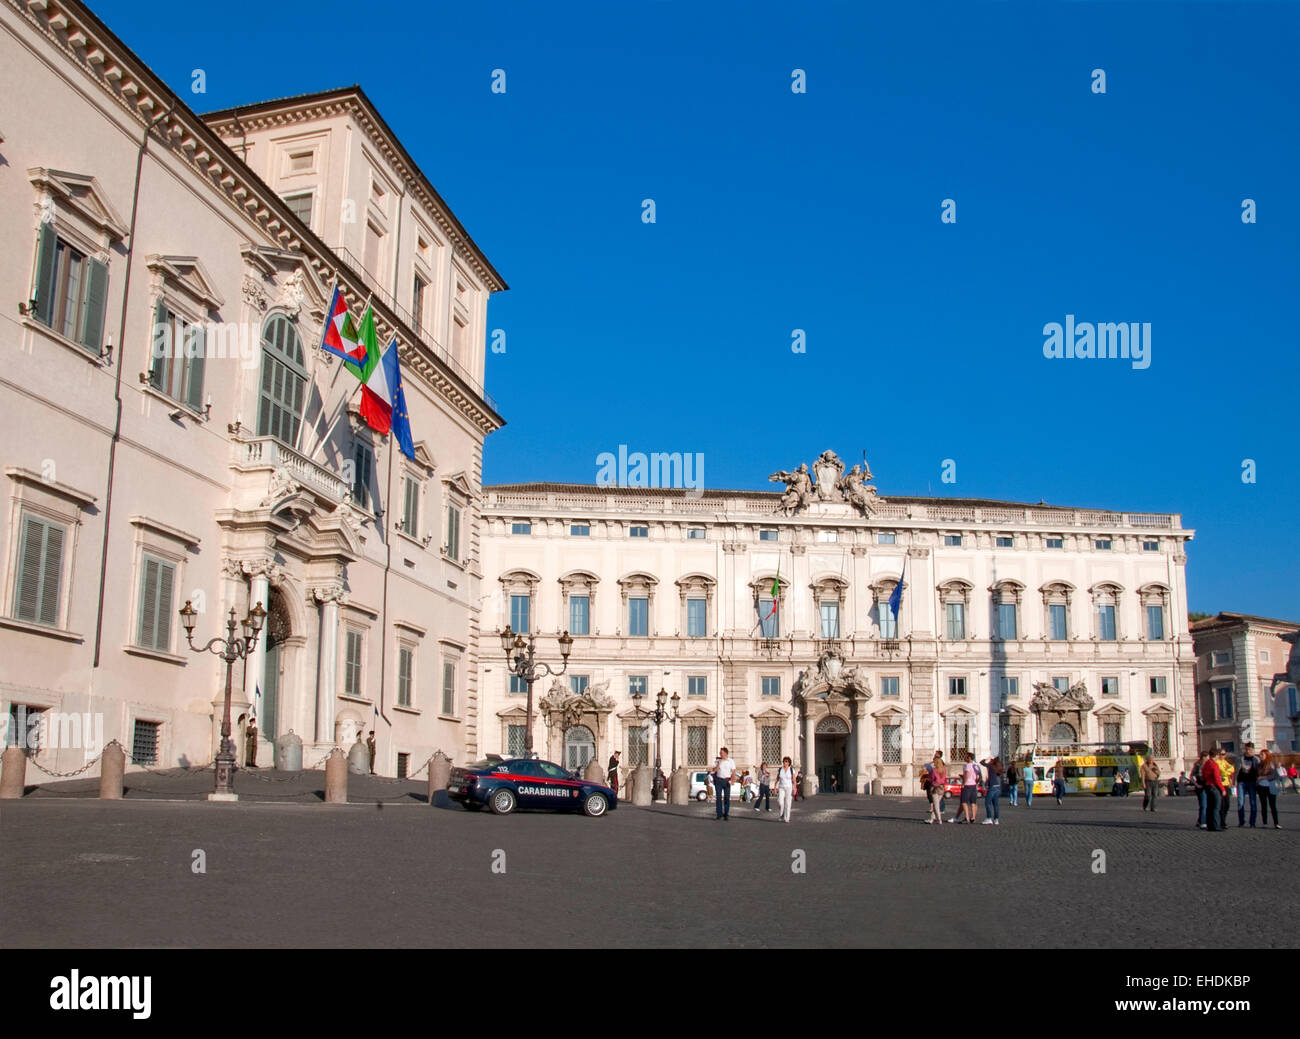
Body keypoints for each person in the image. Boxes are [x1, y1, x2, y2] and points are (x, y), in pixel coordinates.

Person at [952, 752, 981, 824]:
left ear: (969, 758)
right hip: (973, 785)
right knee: (973, 802)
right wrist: (976, 782)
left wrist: (963, 783)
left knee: (964, 802)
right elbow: (980, 776)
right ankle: (973, 817)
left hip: (967, 785)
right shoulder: (976, 766)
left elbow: (967, 774)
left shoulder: (967, 765)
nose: (964, 758)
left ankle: (967, 817)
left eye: (966, 757)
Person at [1257, 751, 1282, 829]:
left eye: (1262, 754)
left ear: (1267, 755)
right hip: (1261, 787)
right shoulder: (1259, 765)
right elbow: (1256, 775)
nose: (1260, 756)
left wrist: (1263, 777)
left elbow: (1274, 775)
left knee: (1273, 805)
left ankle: (1276, 823)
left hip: (1270, 786)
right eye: (1260, 754)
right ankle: (1265, 823)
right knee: (1263, 805)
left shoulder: (1271, 764)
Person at [1202, 748, 1225, 831]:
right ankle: (1216, 825)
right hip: (1213, 786)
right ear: (1216, 756)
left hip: (1207, 786)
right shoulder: (1214, 764)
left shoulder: (1206, 763)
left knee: (1210, 807)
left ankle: (1210, 825)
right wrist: (1222, 789)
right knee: (1216, 807)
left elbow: (1203, 775)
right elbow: (1217, 778)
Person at [1237, 742, 1259, 828]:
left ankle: (1252, 822)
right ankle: (1241, 821)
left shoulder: (1256, 759)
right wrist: (1234, 781)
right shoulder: (1240, 758)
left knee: (1253, 802)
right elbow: (1237, 770)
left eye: (1249, 749)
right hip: (1241, 782)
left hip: (1252, 782)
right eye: (1246, 749)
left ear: (1253, 750)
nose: (1247, 751)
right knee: (1240, 802)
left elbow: (1258, 771)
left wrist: (1258, 780)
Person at [712, 747, 737, 821]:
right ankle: (719, 814)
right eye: (720, 753)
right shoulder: (717, 761)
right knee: (718, 797)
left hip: (727, 780)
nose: (720, 754)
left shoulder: (731, 761)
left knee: (727, 797)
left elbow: (733, 771)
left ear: (726, 753)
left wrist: (733, 779)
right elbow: (714, 770)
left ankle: (726, 814)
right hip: (719, 780)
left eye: (721, 753)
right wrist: (719, 764)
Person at [925, 753, 947, 825]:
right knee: (936, 804)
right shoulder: (944, 770)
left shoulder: (934, 770)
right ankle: (932, 819)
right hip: (941, 788)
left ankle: (939, 820)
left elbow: (931, 779)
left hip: (935, 787)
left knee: (936, 805)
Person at [981, 756, 1003, 825]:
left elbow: (982, 762)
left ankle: (989, 818)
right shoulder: (998, 767)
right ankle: (996, 820)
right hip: (998, 787)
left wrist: (987, 758)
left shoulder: (991, 766)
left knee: (987, 802)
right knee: (995, 804)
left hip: (992, 786)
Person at [1216, 748, 1235, 831]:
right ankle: (1222, 822)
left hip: (1226, 784)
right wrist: (1227, 772)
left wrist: (1227, 772)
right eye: (1222, 754)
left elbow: (1232, 768)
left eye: (1224, 754)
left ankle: (1223, 819)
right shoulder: (1217, 762)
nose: (1223, 756)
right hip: (1220, 785)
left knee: (1227, 804)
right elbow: (1222, 771)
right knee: (1222, 804)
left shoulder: (1224, 762)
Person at [1192, 751, 1210, 828]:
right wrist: (1196, 784)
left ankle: (1200, 820)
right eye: (1205, 757)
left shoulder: (1209, 764)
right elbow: (1191, 776)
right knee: (1203, 804)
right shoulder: (1198, 765)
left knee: (1205, 804)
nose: (1207, 759)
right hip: (1200, 785)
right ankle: (1203, 822)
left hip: (1207, 785)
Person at [776, 756, 796, 822]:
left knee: (788, 803)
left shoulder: (791, 770)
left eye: (787, 761)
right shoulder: (780, 769)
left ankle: (787, 818)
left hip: (789, 787)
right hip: (781, 787)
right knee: (780, 802)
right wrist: (775, 786)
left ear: (789, 763)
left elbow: (794, 780)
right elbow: (777, 778)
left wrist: (794, 788)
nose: (785, 763)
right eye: (784, 761)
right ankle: (781, 814)